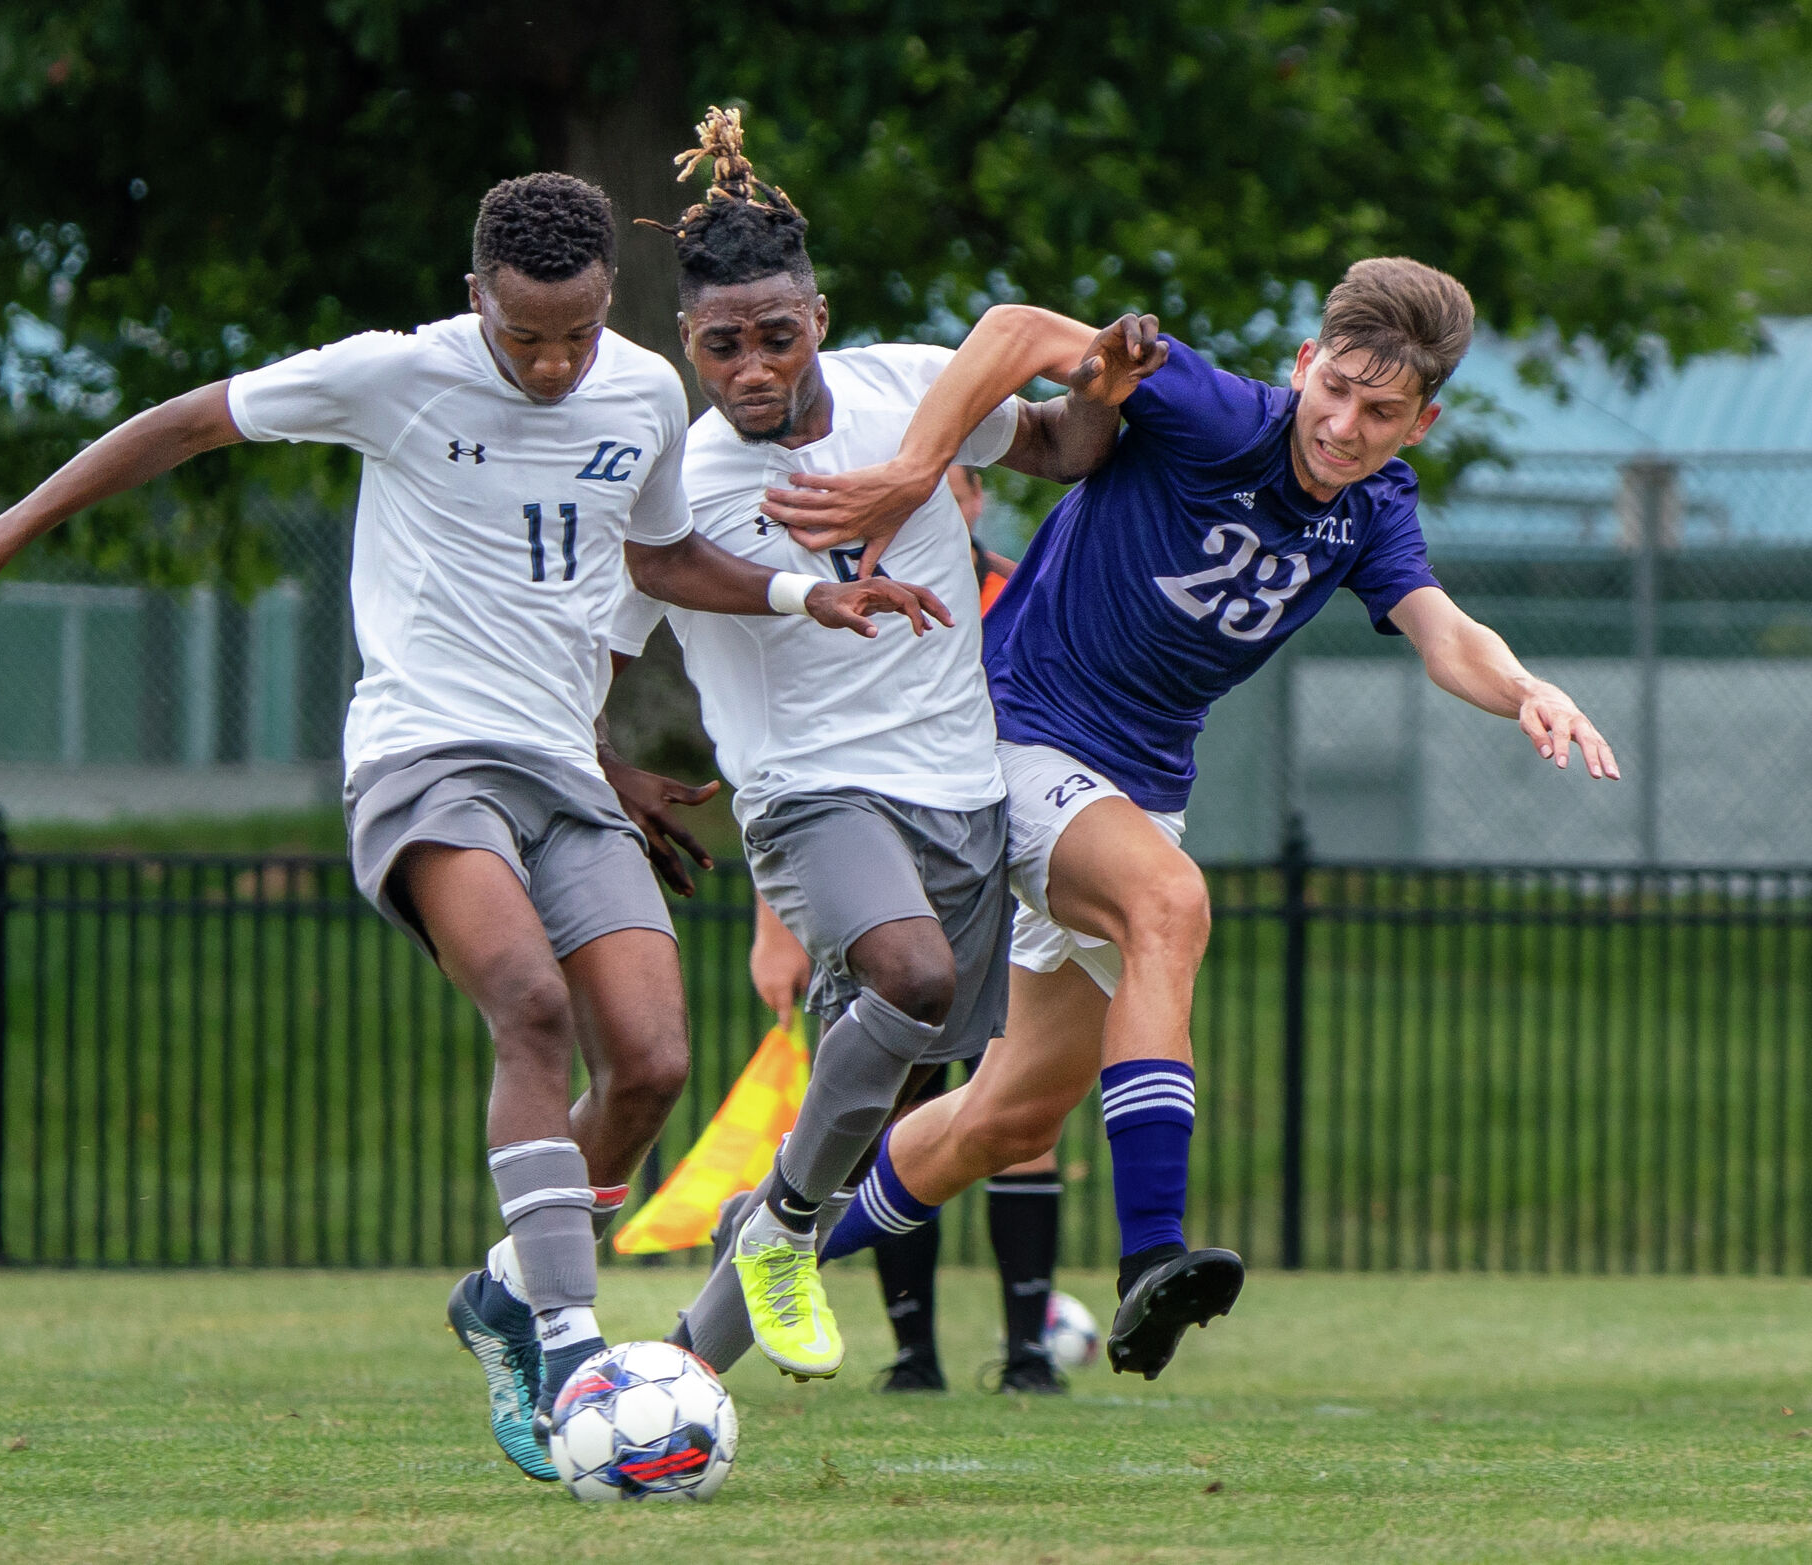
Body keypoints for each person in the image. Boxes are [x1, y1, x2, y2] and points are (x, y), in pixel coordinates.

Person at [0, 170, 944, 1481]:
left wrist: (801, 595)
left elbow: (659, 560)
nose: (555, 363)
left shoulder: (636, 392)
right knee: (530, 1006)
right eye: (525, 338)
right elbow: (180, 425)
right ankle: (567, 1351)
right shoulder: (395, 375)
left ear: (610, 303)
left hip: (563, 768)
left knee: (653, 1063)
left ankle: (506, 1288)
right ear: (474, 303)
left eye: (575, 331)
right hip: (425, 757)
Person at [773, 257, 1621, 1380]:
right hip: (1017, 734)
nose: (1346, 428)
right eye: (1336, 395)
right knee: (1167, 904)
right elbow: (1018, 328)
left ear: (1421, 420)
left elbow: (1439, 628)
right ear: (1304, 365)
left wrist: (1525, 688)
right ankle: (1149, 1260)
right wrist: (908, 473)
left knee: (1010, 1117)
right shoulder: (1221, 415)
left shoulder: (1373, 509)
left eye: (1380, 414)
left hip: (1128, 792)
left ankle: (766, 1245)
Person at [603, 108, 1146, 1383]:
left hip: (958, 789)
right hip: (807, 796)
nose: (748, 366)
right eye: (719, 343)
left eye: (773, 336)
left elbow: (1067, 448)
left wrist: (1107, 384)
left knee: (872, 1117)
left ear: (820, 318)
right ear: (685, 340)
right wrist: (602, 762)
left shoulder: (913, 388)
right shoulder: (672, 480)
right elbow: (606, 634)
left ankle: (683, 1365)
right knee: (903, 981)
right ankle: (787, 1229)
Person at [750, 467, 1067, 1396]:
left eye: (963, 485)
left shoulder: (1021, 591)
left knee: (1015, 1114)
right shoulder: (850, 599)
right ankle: (913, 1353)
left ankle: (1029, 1353)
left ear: (969, 501)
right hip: (889, 873)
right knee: (890, 1107)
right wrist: (775, 926)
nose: (946, 497)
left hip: (1011, 867)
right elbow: (800, 763)